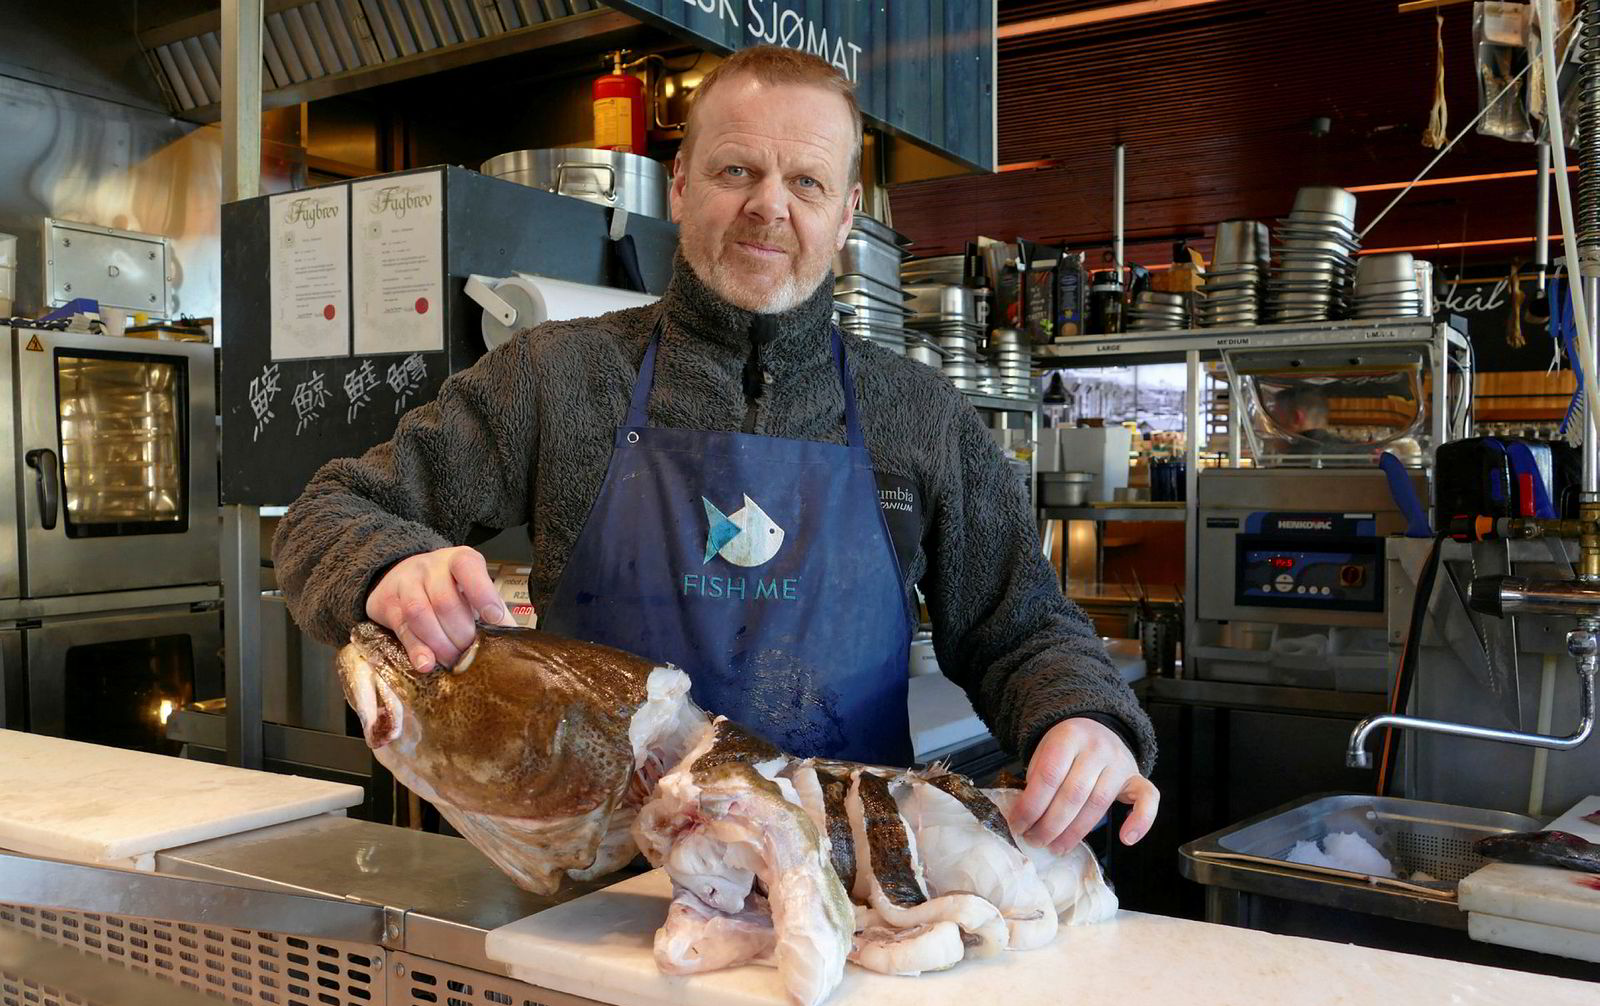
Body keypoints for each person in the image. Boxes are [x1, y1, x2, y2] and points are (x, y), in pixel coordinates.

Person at [274, 45, 1158, 857]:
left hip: (838, 891)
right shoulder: (557, 376)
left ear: (846, 215)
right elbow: (328, 512)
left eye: (806, 181)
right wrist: (388, 567)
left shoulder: (920, 414)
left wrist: (1084, 717)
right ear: (681, 187)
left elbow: (1022, 627)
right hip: (596, 884)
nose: (769, 205)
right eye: (737, 170)